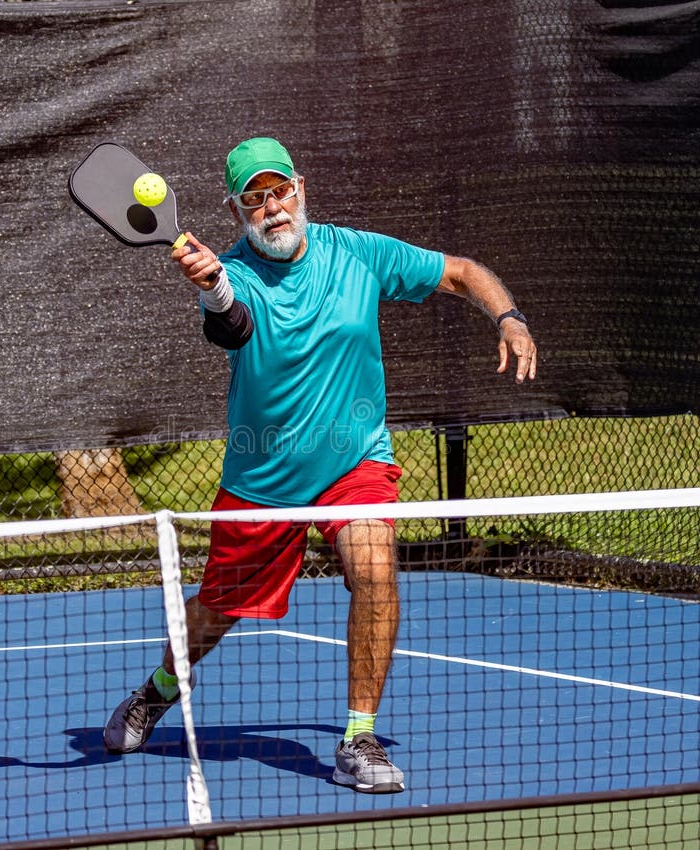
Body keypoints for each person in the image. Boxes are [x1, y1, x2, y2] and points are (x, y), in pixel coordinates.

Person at [103, 137, 537, 794]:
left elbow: (461, 272)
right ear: (236, 209)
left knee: (376, 570)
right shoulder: (232, 274)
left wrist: (509, 317)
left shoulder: (357, 253)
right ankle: (159, 689)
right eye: (255, 198)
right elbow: (232, 324)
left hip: (354, 463)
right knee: (216, 611)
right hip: (264, 481)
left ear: (300, 189)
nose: (272, 207)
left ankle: (358, 737)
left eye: (280, 191)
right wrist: (213, 287)